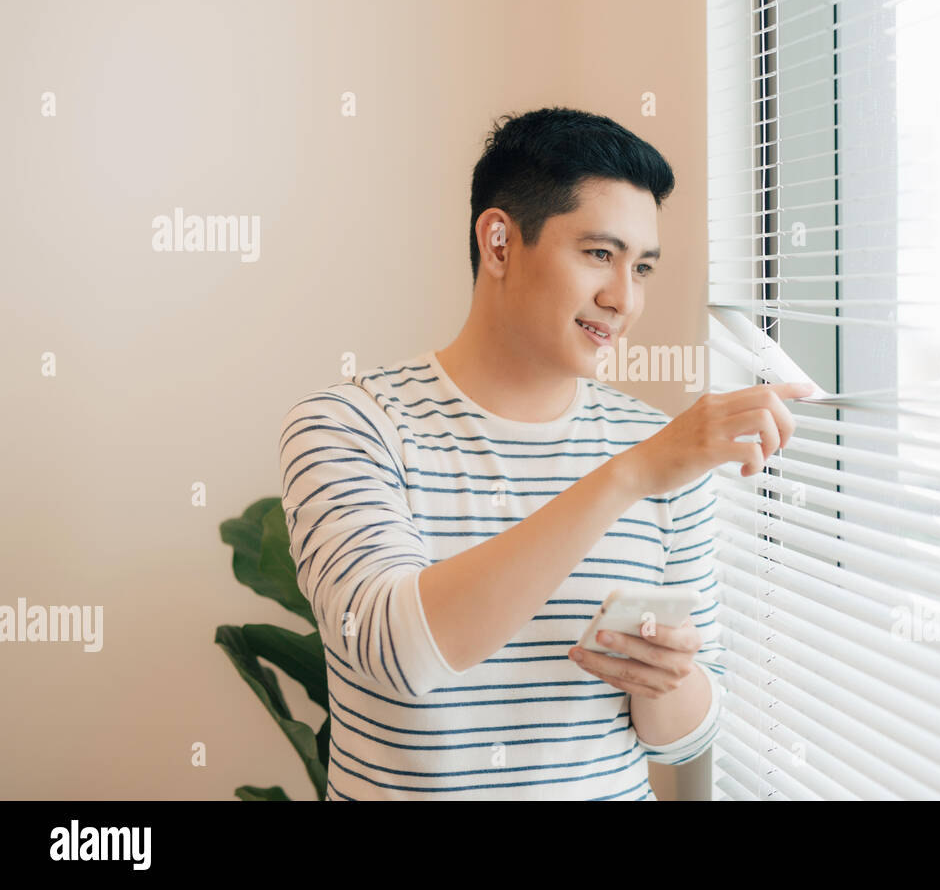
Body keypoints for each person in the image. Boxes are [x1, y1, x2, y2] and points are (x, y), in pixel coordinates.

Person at [277, 105, 812, 800]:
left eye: (642, 267)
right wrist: (631, 475)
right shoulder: (351, 426)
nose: (624, 298)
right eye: (599, 254)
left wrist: (666, 679)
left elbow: (686, 735)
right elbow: (396, 652)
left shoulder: (662, 451)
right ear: (498, 243)